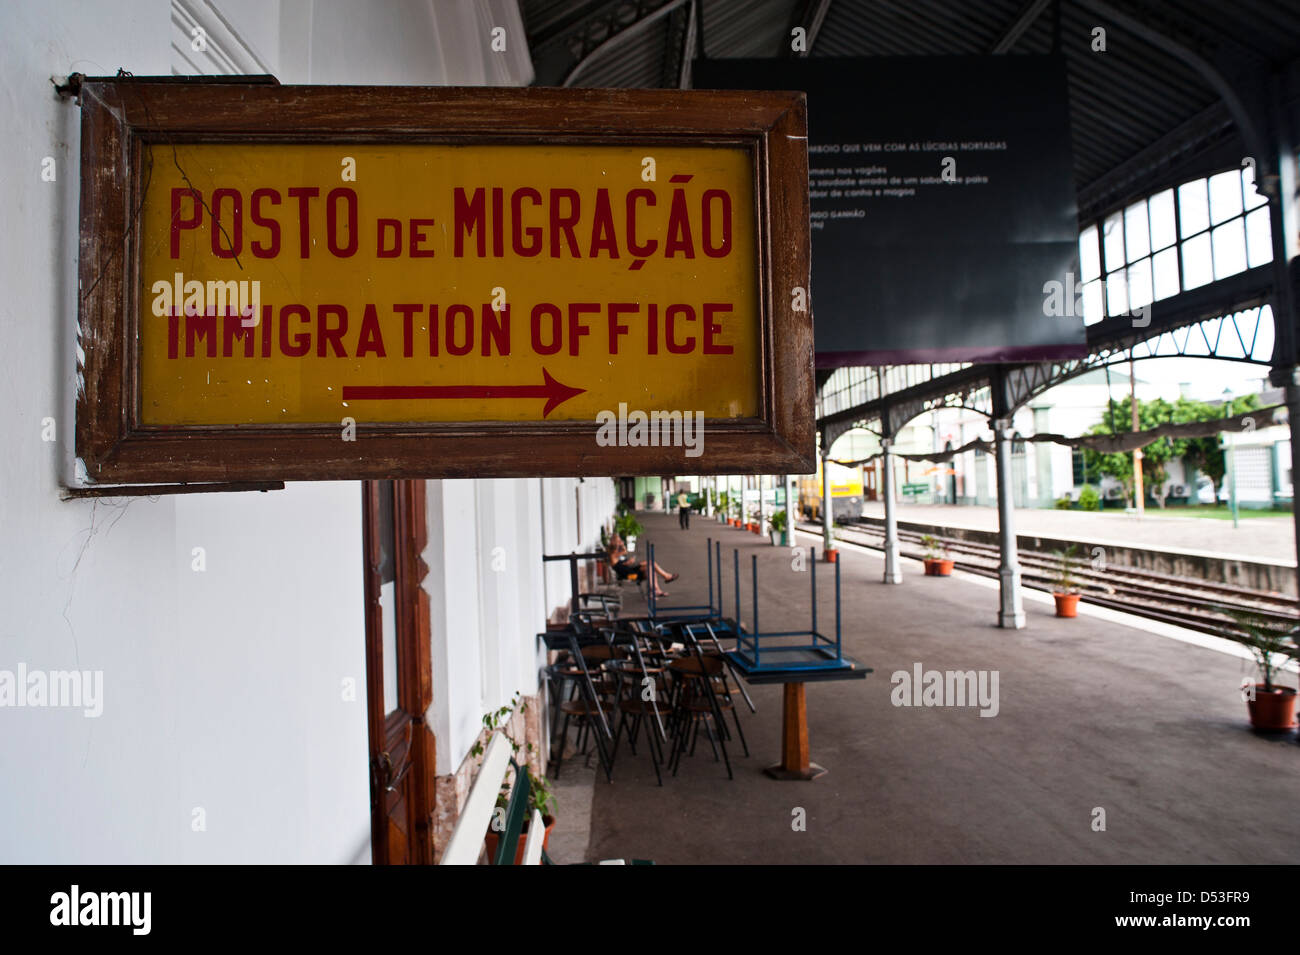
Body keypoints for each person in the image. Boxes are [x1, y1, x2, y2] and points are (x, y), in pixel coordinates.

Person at [607, 533, 678, 597]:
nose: (620, 542)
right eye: (619, 541)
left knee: (650, 567)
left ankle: (657, 589)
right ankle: (662, 581)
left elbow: (621, 562)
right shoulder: (612, 556)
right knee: (650, 564)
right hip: (630, 574)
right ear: (615, 544)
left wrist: (627, 562)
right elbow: (624, 552)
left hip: (631, 570)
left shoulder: (614, 555)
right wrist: (621, 545)